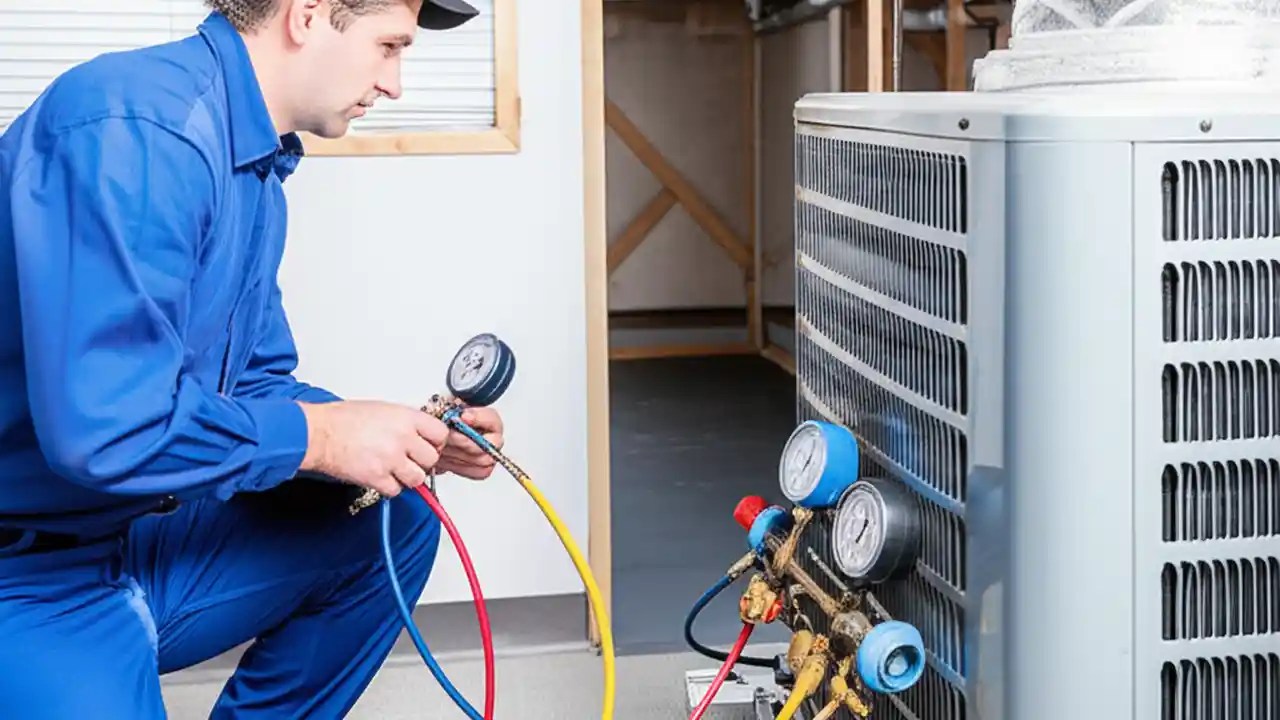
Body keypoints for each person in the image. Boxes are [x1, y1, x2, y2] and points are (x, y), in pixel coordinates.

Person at [0, 1, 505, 716]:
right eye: (389, 46)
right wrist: (324, 438)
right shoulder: (140, 130)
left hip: (121, 531)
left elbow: (254, 383)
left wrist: (398, 437)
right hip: (24, 572)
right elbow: (107, 431)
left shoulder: (252, 168)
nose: (394, 84)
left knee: (393, 520)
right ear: (309, 14)